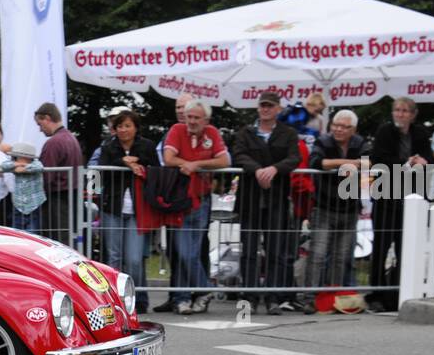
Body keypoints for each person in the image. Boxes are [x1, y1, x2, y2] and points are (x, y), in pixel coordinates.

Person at [231, 90, 302, 314]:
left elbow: (294, 157)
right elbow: (239, 155)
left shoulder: (288, 133)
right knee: (249, 251)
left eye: (270, 105)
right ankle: (249, 296)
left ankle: (273, 296)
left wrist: (274, 169)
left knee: (275, 251)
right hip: (250, 199)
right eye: (263, 105)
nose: (265, 109)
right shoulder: (246, 132)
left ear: (278, 109)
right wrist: (258, 171)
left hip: (276, 199)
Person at [161, 99, 230, 315]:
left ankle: (186, 297)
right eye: (189, 116)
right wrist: (187, 164)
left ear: (205, 120)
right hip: (179, 200)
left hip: (201, 199)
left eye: (196, 118)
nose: (191, 121)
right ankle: (201, 290)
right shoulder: (177, 129)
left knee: (190, 252)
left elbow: (224, 160)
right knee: (183, 253)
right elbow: (168, 158)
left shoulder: (212, 133)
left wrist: (196, 165)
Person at [367, 96, 434, 311]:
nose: (400, 114)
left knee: (406, 248)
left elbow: (430, 159)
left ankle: (400, 291)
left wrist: (423, 162)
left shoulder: (420, 133)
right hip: (386, 197)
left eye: (405, 111)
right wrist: (408, 163)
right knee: (381, 248)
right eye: (397, 110)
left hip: (410, 198)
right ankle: (376, 293)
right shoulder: (385, 132)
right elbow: (379, 159)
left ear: (413, 115)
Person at [306, 110, 369, 312]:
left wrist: (355, 165)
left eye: (345, 127)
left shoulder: (360, 143)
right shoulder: (323, 142)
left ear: (354, 130)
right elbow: (315, 162)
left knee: (342, 256)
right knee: (317, 254)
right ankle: (309, 297)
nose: (339, 129)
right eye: (336, 125)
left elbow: (369, 163)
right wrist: (347, 163)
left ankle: (334, 296)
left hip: (349, 208)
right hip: (324, 207)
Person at [95, 109, 157, 311]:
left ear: (135, 127)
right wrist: (123, 162)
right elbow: (102, 170)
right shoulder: (109, 146)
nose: (123, 130)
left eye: (127, 125)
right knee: (113, 257)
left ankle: (138, 299)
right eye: (120, 126)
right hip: (112, 207)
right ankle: (115, 300)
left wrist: (137, 164)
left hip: (138, 208)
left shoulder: (146, 146)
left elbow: (155, 169)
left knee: (134, 258)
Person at [34, 101, 82, 245]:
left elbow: (45, 176)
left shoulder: (53, 143)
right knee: (65, 240)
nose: (40, 129)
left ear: (47, 118)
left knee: (56, 243)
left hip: (57, 200)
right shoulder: (71, 138)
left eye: (39, 124)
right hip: (70, 196)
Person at [0, 142, 45, 235]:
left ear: (30, 158)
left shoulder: (36, 163)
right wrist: (16, 165)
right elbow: (4, 165)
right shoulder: (13, 164)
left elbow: (39, 167)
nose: (20, 159)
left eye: (23, 157)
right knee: (17, 233)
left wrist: (25, 168)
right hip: (18, 205)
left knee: (32, 233)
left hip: (34, 205)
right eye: (17, 157)